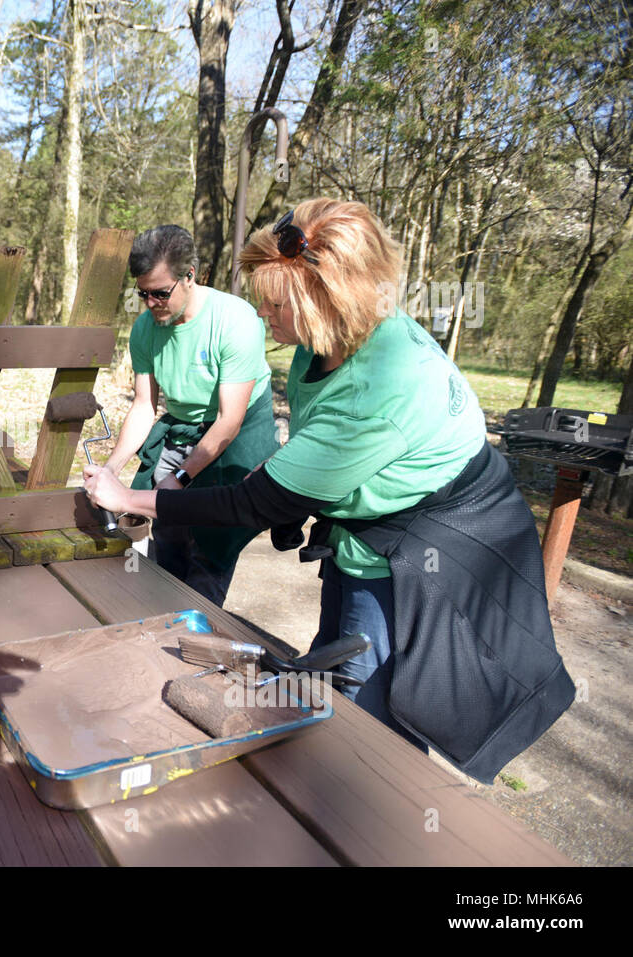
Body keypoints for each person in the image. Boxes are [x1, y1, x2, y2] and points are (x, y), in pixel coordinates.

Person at [83, 198, 574, 784]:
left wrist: (131, 498)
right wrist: (310, 493)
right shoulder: (323, 343)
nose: (262, 315)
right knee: (327, 666)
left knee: (375, 699)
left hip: (428, 542)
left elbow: (254, 502)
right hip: (366, 530)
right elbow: (311, 447)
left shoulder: (381, 383)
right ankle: (324, 791)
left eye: (275, 302)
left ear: (327, 299)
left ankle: (378, 813)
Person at [101, 225, 279, 606]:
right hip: (183, 425)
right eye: (143, 293)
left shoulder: (236, 321)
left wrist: (180, 478)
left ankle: (196, 627)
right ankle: (159, 610)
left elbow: (229, 422)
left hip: (238, 427)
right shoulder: (144, 329)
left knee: (213, 539)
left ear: (190, 277)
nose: (150, 304)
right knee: (167, 531)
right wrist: (112, 469)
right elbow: (144, 406)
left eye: (160, 293)